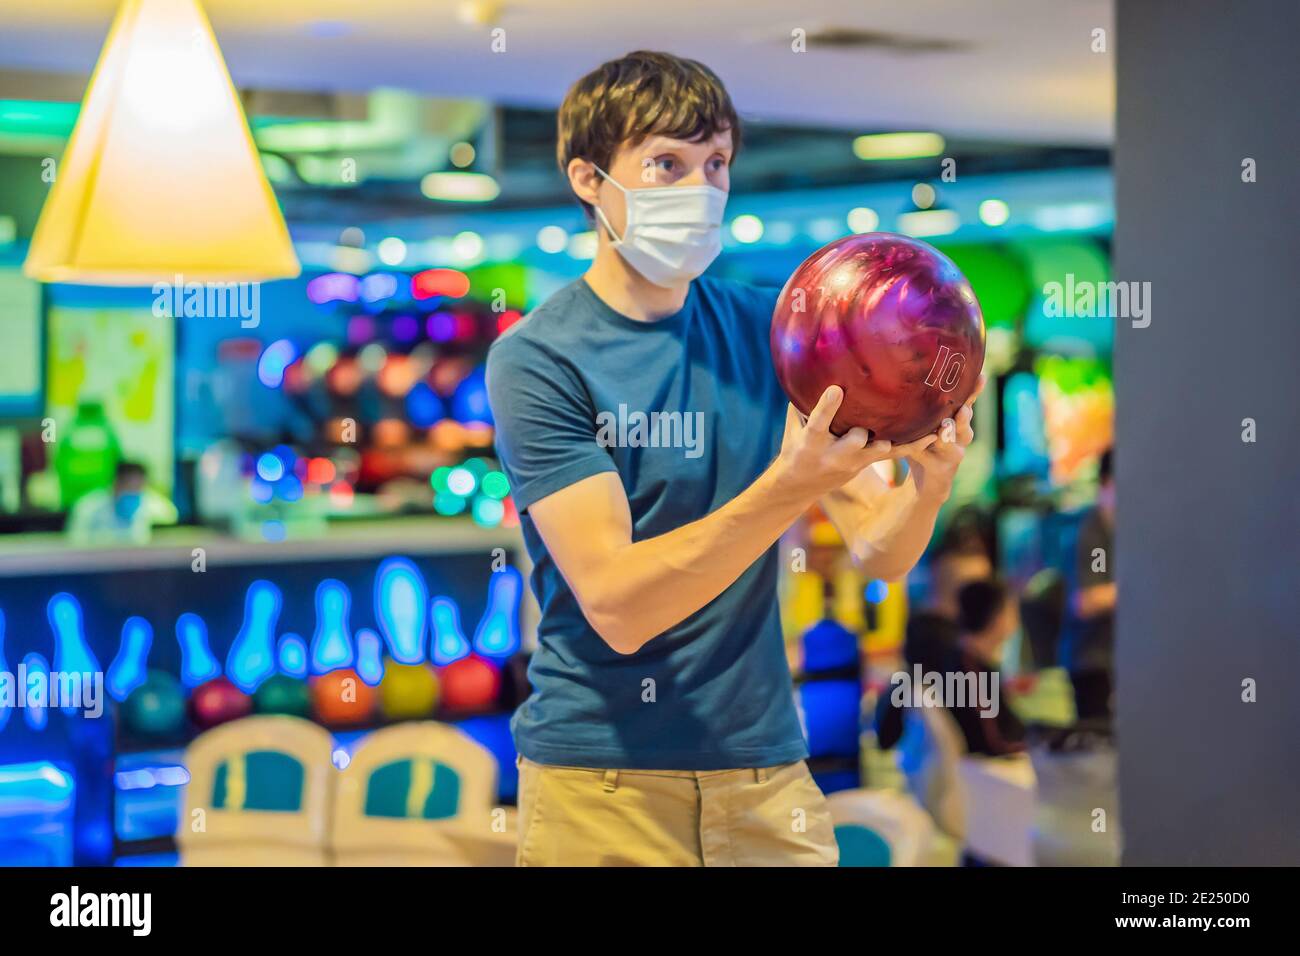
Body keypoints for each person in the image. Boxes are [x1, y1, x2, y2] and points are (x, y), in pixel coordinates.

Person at [486, 51, 981, 867]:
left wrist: (929, 485)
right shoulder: (541, 358)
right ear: (587, 179)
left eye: (715, 164)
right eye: (666, 165)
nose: (700, 189)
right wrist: (791, 488)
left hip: (765, 770)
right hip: (602, 783)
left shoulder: (777, 329)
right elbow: (619, 604)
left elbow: (882, 550)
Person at [1061, 448, 1116, 724]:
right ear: (1107, 483)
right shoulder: (1092, 532)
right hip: (1092, 662)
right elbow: (1086, 600)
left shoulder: (1114, 529)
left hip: (1112, 660)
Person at [66, 460, 177, 546]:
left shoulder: (161, 510)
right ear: (115, 484)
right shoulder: (87, 507)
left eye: (138, 487)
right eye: (128, 486)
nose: (132, 492)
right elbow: (75, 544)